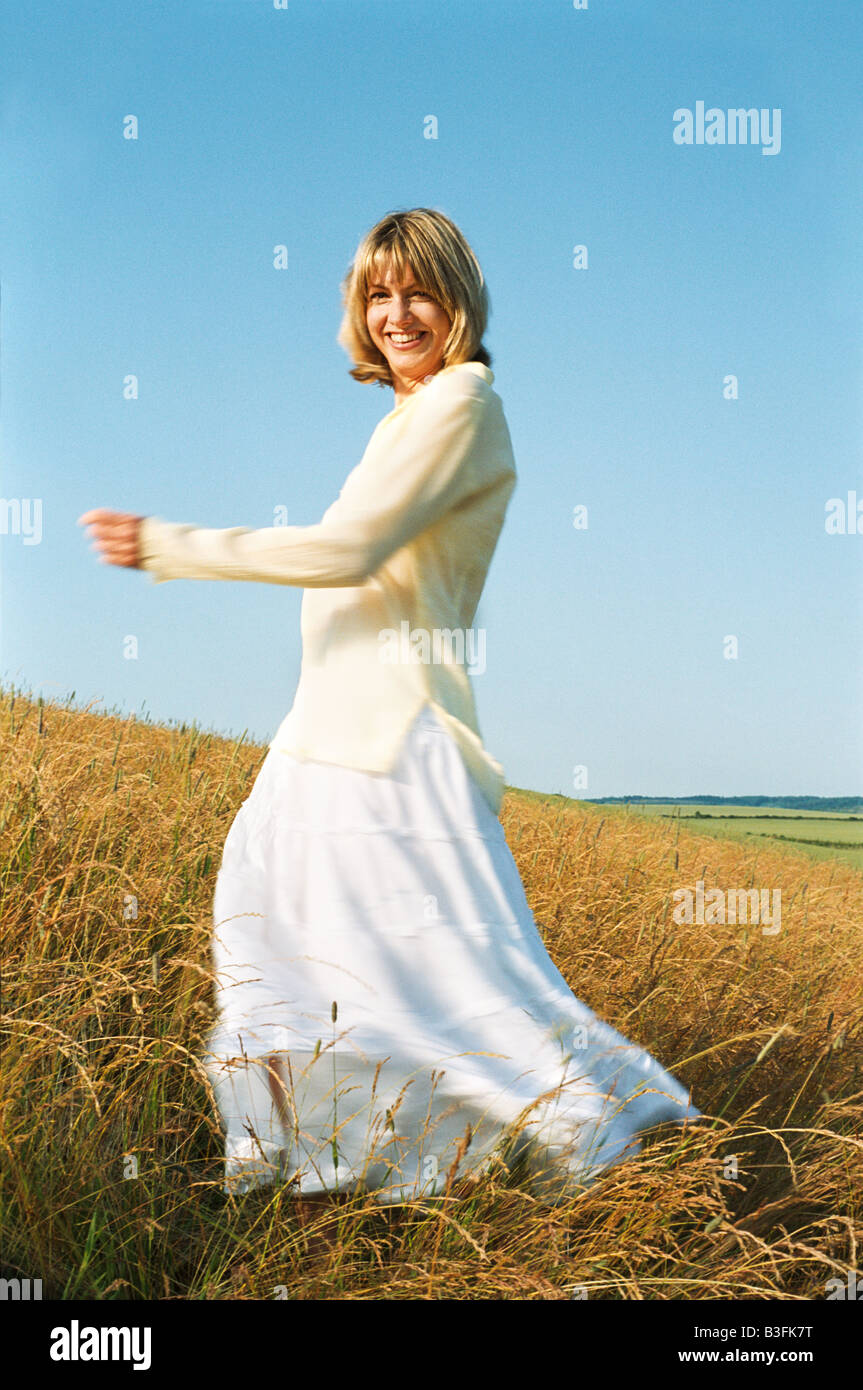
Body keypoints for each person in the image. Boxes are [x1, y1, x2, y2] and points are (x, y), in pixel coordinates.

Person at [78, 206, 700, 1208]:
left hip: (390, 743)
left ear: (459, 302)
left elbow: (347, 552)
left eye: (418, 290)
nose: (396, 312)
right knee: (268, 947)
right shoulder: (407, 417)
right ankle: (292, 1173)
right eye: (377, 293)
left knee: (448, 987)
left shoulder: (461, 405)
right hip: (324, 733)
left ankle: (611, 1165)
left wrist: (168, 544)